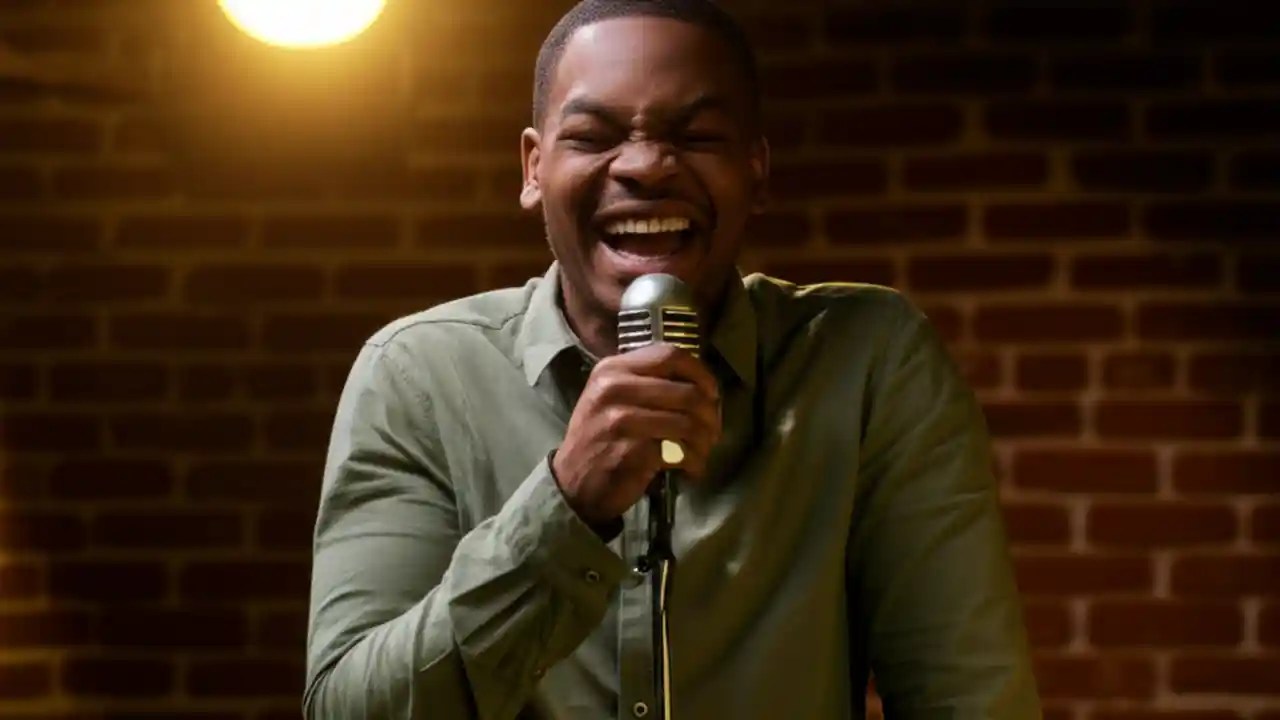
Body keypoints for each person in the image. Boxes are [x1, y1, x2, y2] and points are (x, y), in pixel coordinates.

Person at [303, 1, 1042, 718]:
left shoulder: (868, 364)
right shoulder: (419, 376)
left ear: (757, 168)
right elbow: (353, 709)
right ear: (534, 169)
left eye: (698, 136)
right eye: (594, 136)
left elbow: (969, 699)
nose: (648, 166)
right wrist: (566, 508)